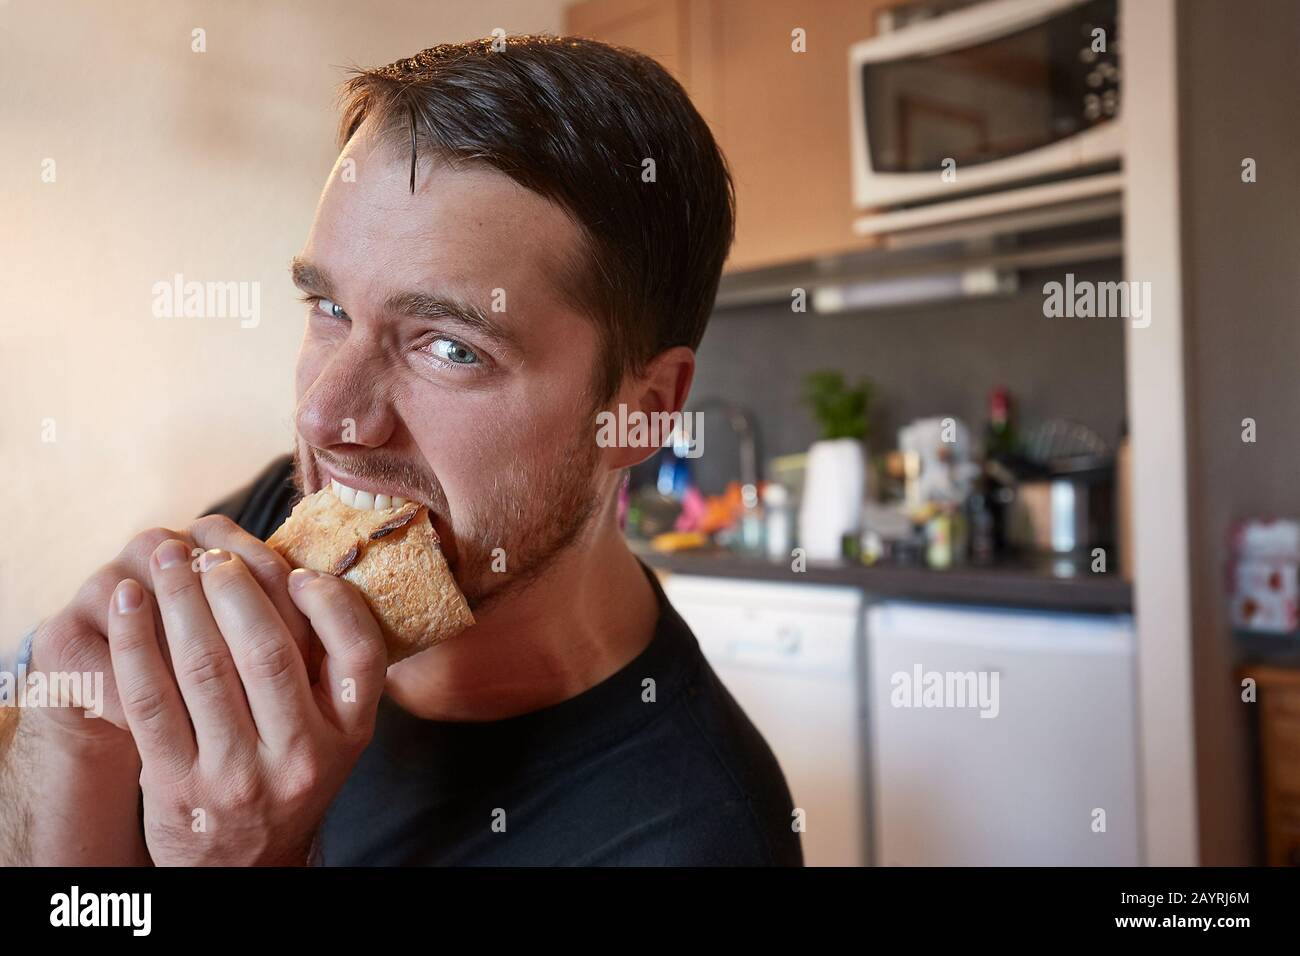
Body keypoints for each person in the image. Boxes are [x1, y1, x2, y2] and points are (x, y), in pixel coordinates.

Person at [0, 35, 802, 866]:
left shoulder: (694, 837)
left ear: (643, 409)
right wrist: (63, 745)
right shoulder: (285, 513)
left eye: (451, 347)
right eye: (329, 308)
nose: (324, 420)